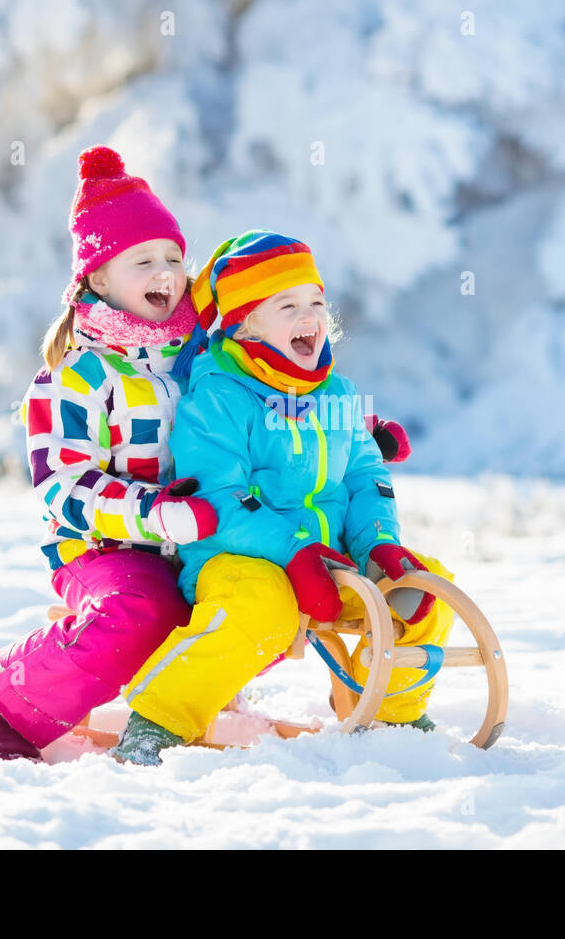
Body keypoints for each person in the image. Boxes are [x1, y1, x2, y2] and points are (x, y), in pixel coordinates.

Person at [113, 230, 455, 765]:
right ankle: (158, 717)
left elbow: (365, 479)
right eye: (288, 304)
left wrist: (379, 544)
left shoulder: (336, 394)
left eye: (317, 302)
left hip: (333, 565)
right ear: (246, 322)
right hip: (240, 561)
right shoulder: (220, 397)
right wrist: (292, 551)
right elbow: (216, 498)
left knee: (425, 587)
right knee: (260, 608)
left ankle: (394, 711)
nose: (310, 316)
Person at [0, 146, 217, 760]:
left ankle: (192, 695)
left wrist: (350, 427)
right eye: (144, 260)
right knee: (144, 605)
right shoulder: (76, 379)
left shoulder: (204, 359)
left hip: (198, 541)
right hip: (100, 548)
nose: (167, 271)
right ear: (98, 277)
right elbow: (64, 487)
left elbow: (276, 397)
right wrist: (151, 513)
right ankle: (4, 696)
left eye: (174, 258)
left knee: (249, 592)